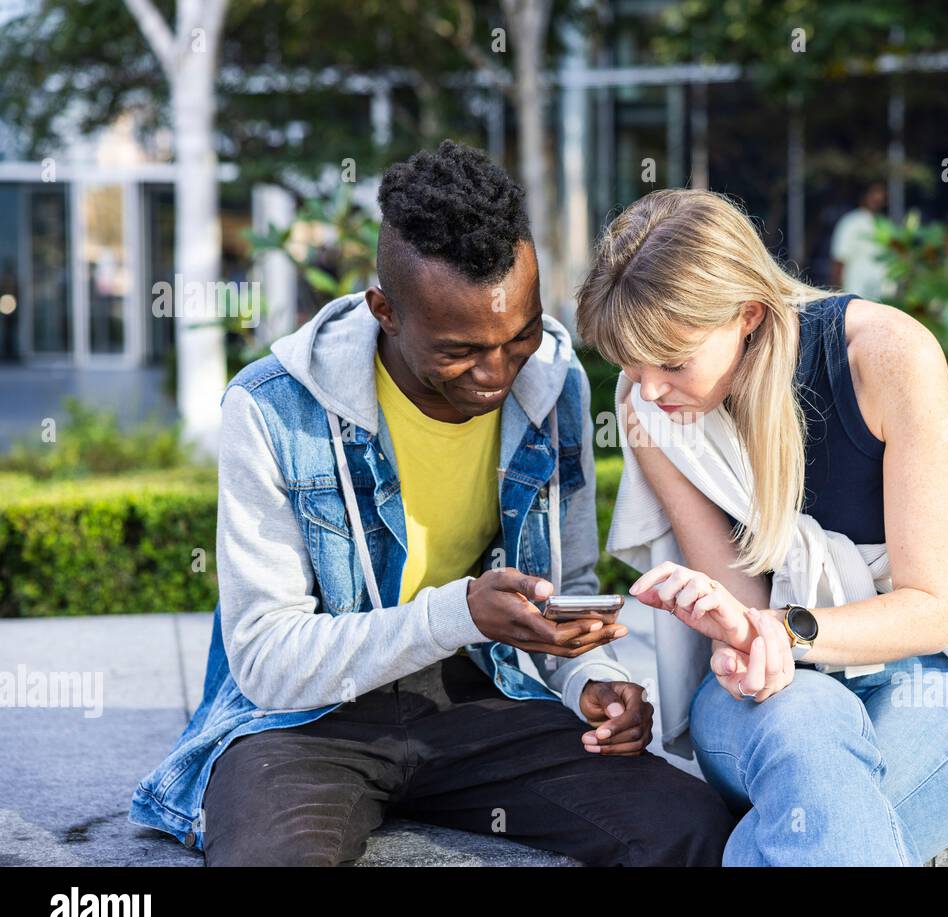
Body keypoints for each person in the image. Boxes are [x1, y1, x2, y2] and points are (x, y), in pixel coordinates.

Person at [128, 143, 735, 866]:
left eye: (519, 336)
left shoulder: (552, 383)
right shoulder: (271, 408)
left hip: (483, 694)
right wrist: (459, 612)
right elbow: (263, 660)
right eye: (460, 350)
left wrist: (594, 682)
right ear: (385, 310)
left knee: (691, 826)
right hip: (306, 722)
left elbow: (562, 598)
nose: (498, 373)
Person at [575, 188, 948, 866]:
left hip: (931, 674)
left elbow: (932, 608)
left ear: (748, 314)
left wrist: (786, 632)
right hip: (766, 691)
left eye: (671, 362)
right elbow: (745, 611)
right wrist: (739, 628)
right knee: (810, 731)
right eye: (629, 365)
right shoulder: (649, 410)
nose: (649, 390)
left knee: (814, 828)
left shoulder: (888, 355)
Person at [829, 179, 889, 299]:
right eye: (874, 194)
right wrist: (837, 293)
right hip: (856, 292)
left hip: (882, 295)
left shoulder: (885, 225)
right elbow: (839, 259)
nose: (877, 199)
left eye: (881, 195)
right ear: (864, 196)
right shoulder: (850, 222)